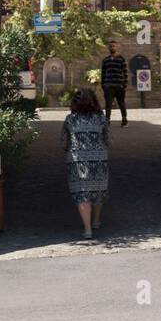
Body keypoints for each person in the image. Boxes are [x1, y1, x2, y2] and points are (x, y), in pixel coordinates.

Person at [62, 87, 109, 240]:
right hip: (99, 159)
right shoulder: (101, 118)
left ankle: (87, 230)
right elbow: (107, 138)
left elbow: (64, 142)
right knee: (98, 190)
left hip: (78, 161)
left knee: (82, 193)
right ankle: (96, 220)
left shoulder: (70, 119)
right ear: (94, 102)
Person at [100, 39, 129, 126]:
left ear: (116, 47)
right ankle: (107, 120)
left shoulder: (121, 59)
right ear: (108, 48)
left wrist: (124, 84)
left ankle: (124, 120)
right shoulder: (105, 60)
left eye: (113, 46)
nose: (112, 47)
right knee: (108, 104)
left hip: (119, 85)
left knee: (121, 103)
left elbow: (125, 72)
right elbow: (103, 73)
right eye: (110, 46)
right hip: (108, 86)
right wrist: (103, 85)